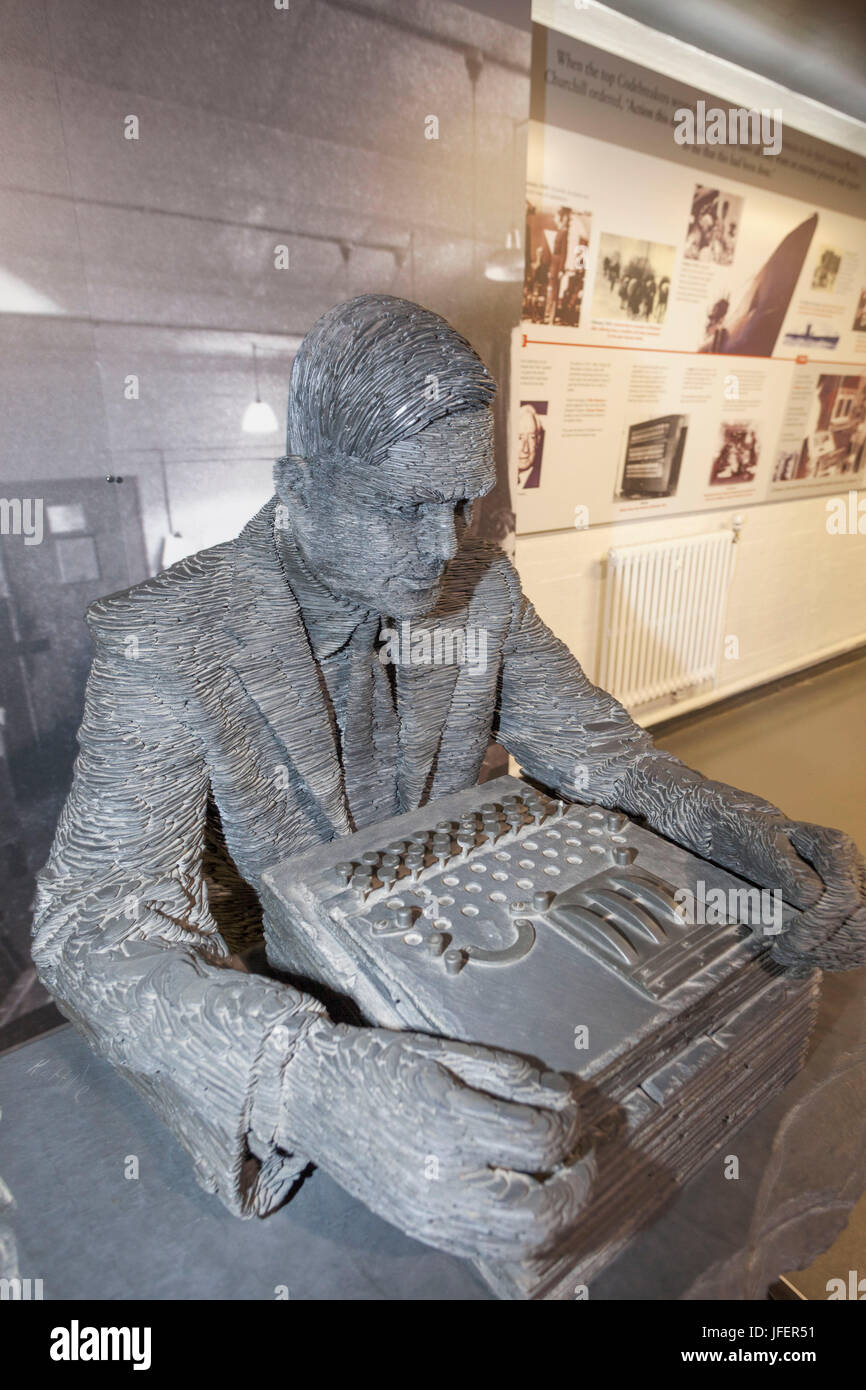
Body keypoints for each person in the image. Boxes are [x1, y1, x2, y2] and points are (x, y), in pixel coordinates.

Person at [32, 295, 866, 1264]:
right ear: (298, 483)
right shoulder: (168, 638)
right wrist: (306, 1083)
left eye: (459, 501)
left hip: (461, 973)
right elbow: (93, 924)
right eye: (403, 505)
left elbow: (598, 752)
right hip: (288, 1013)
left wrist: (741, 831)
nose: (441, 543)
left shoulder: (481, 588)